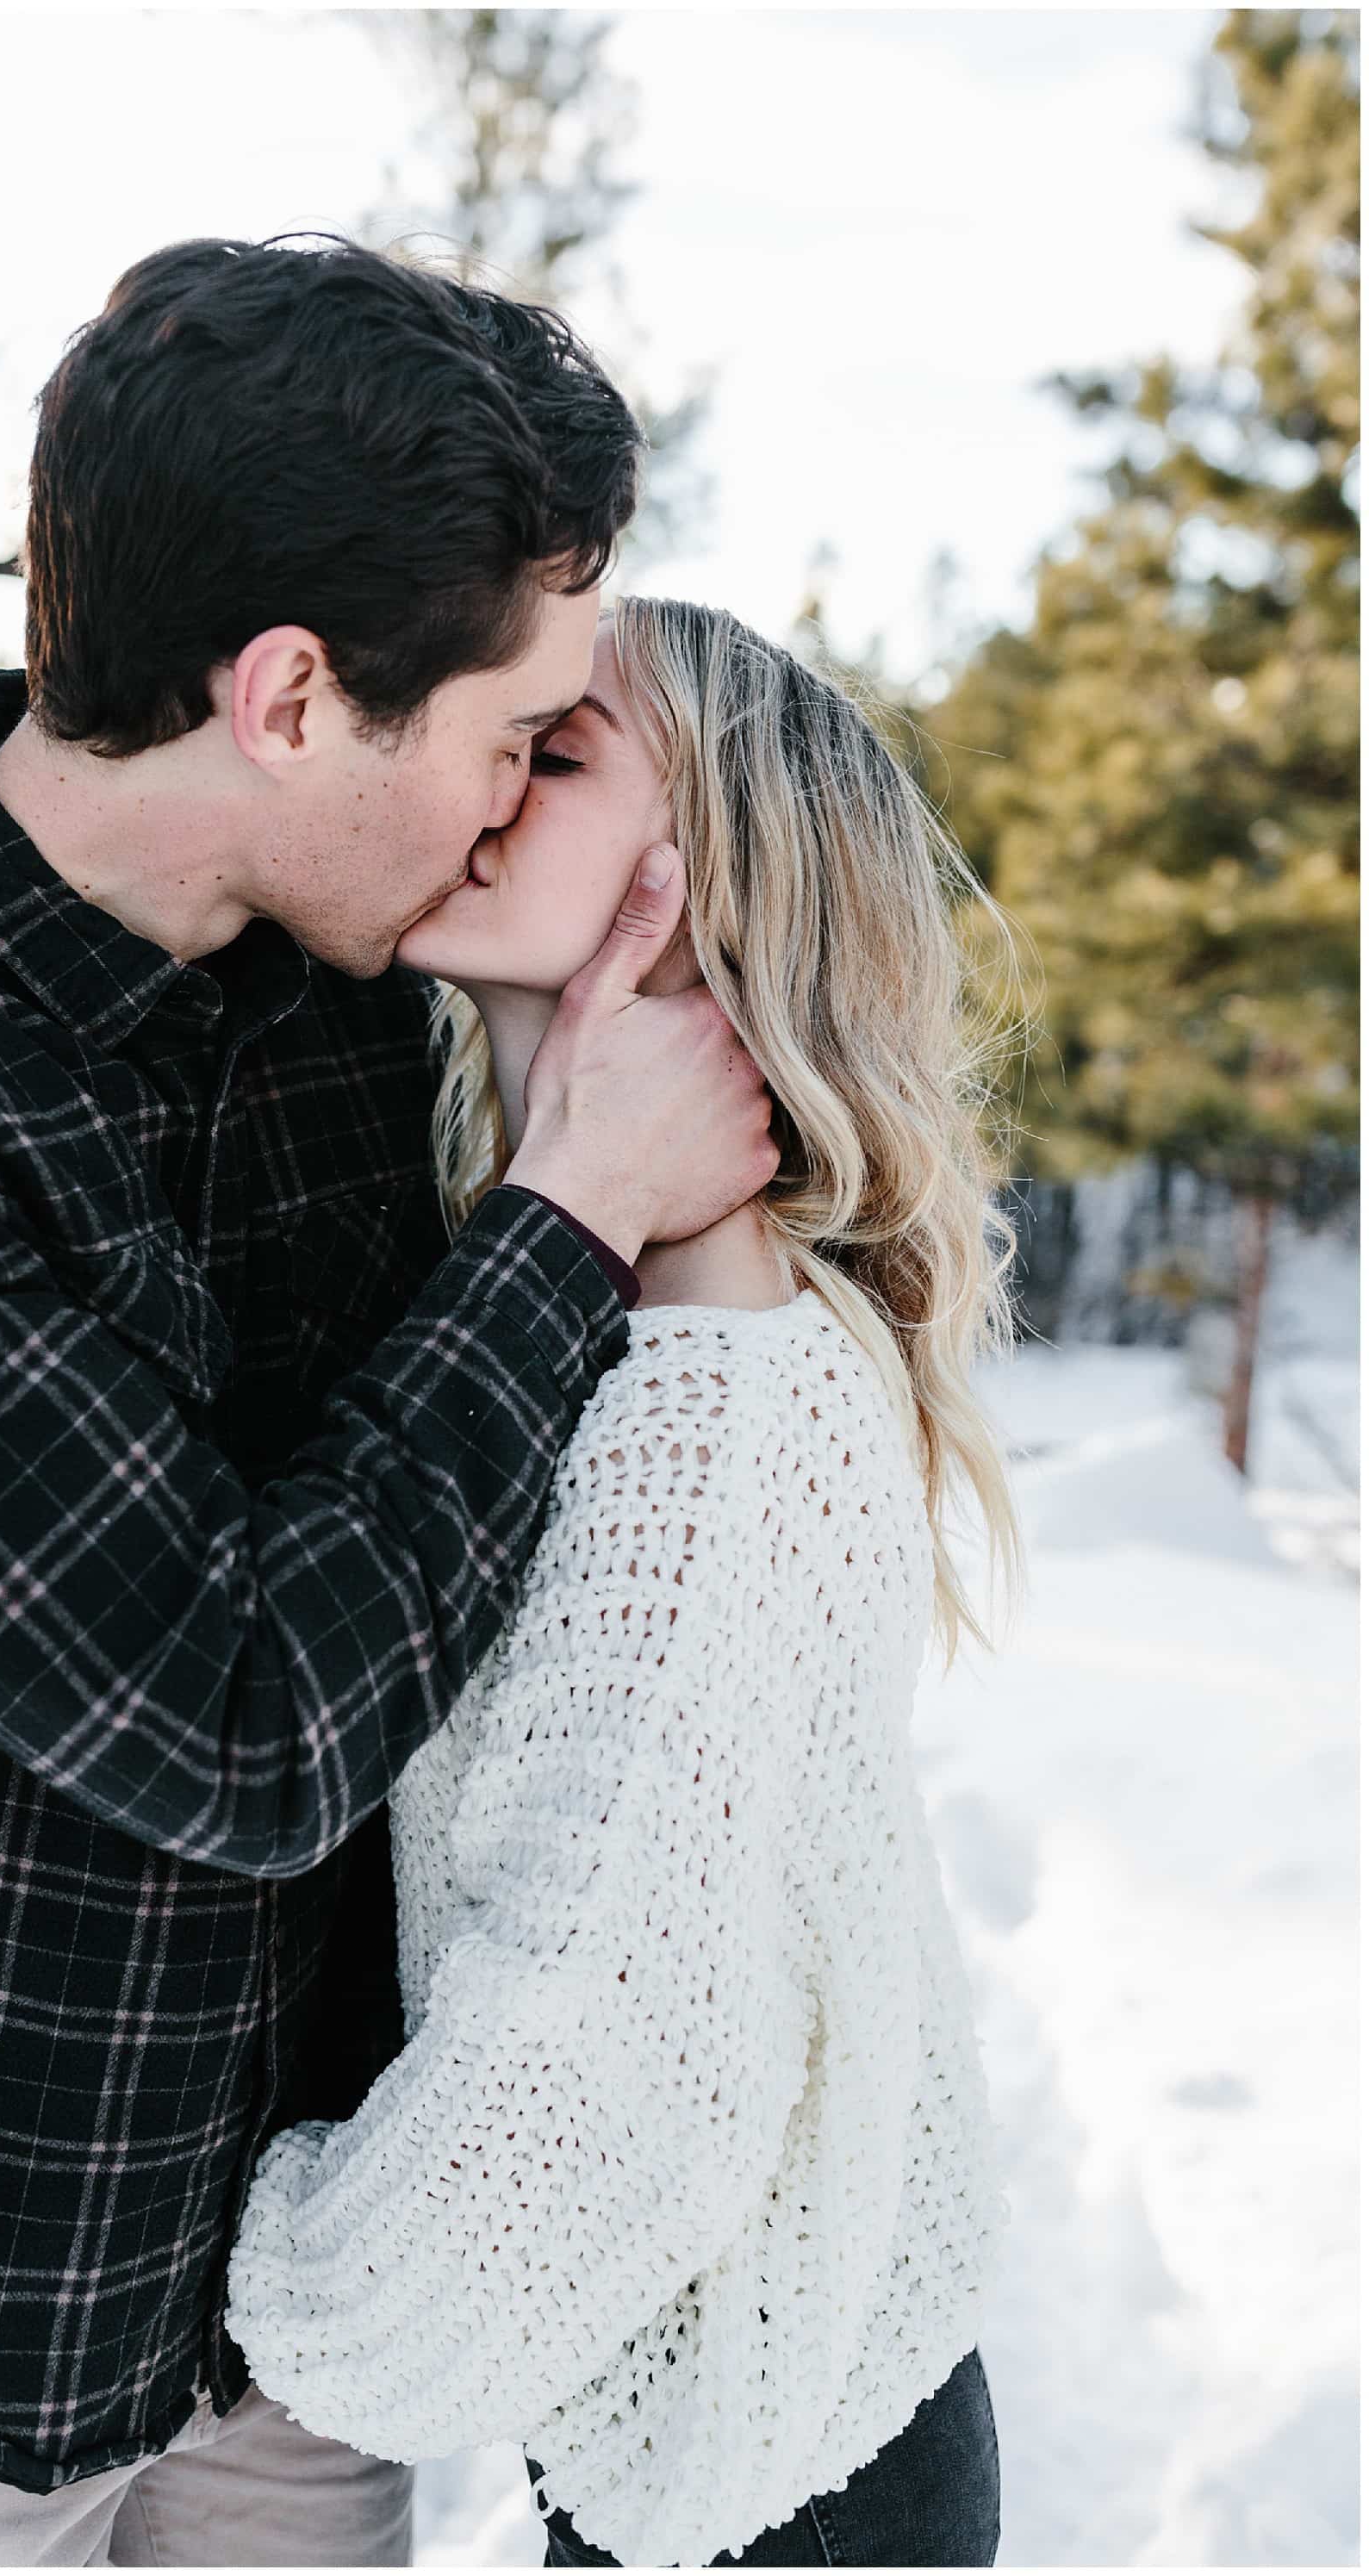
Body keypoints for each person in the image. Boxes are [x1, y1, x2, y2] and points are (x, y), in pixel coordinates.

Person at [0, 238, 781, 2569]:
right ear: (286, 697)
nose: (506, 807)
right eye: (505, 735)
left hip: (281, 2267)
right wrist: (570, 1207)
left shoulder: (343, 973)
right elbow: (239, 1712)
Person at [225, 596, 1027, 2567]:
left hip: (783, 2495)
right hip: (775, 2432)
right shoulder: (602, 1309)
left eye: (553, 754)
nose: (475, 776)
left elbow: (601, 2079)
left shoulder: (704, 1411)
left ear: (696, 886)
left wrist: (249, 2282)